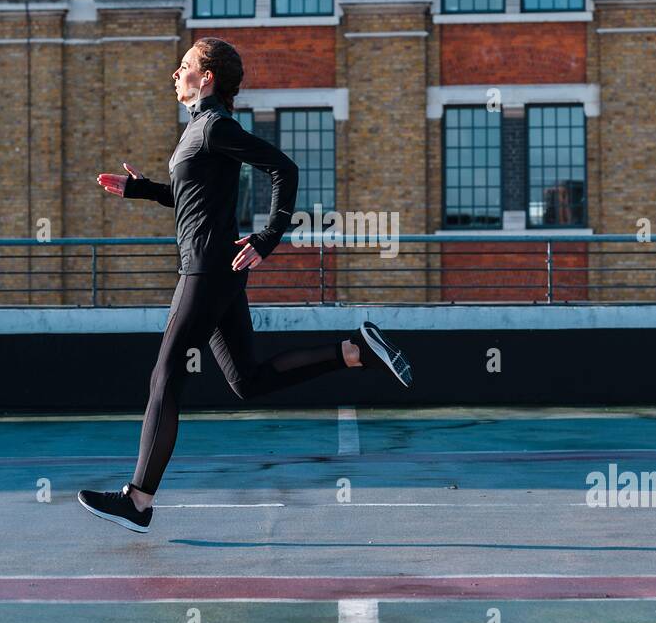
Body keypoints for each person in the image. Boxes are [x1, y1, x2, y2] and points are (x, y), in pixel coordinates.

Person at [78, 37, 412, 534]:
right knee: (246, 381)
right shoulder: (198, 128)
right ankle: (354, 350)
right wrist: (143, 189)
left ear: (207, 77)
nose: (175, 73)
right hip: (218, 269)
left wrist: (268, 236)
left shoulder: (216, 126)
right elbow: (194, 196)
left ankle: (139, 499)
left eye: (185, 66)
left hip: (207, 269)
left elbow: (284, 168)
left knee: (165, 375)